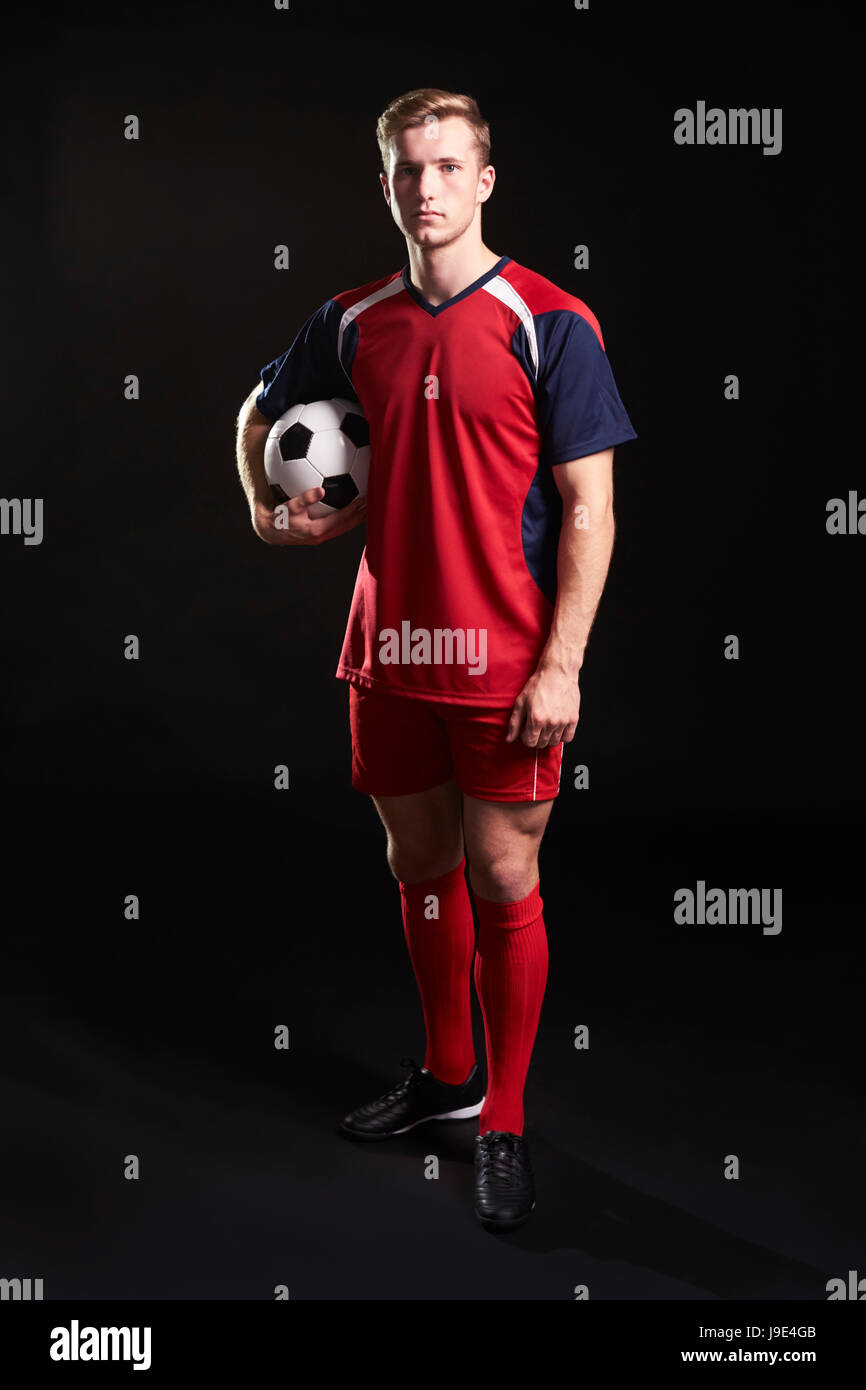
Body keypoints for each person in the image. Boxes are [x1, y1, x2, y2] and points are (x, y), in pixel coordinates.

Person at [235, 87, 638, 1233]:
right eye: (408, 170)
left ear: (484, 180)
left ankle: (503, 1120)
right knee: (418, 866)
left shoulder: (549, 319)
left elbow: (589, 511)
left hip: (504, 663)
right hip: (388, 650)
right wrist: (262, 507)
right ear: (385, 187)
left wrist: (560, 662)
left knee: (505, 877)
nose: (428, 187)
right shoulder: (352, 318)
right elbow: (258, 410)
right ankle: (446, 1081)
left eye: (449, 166)